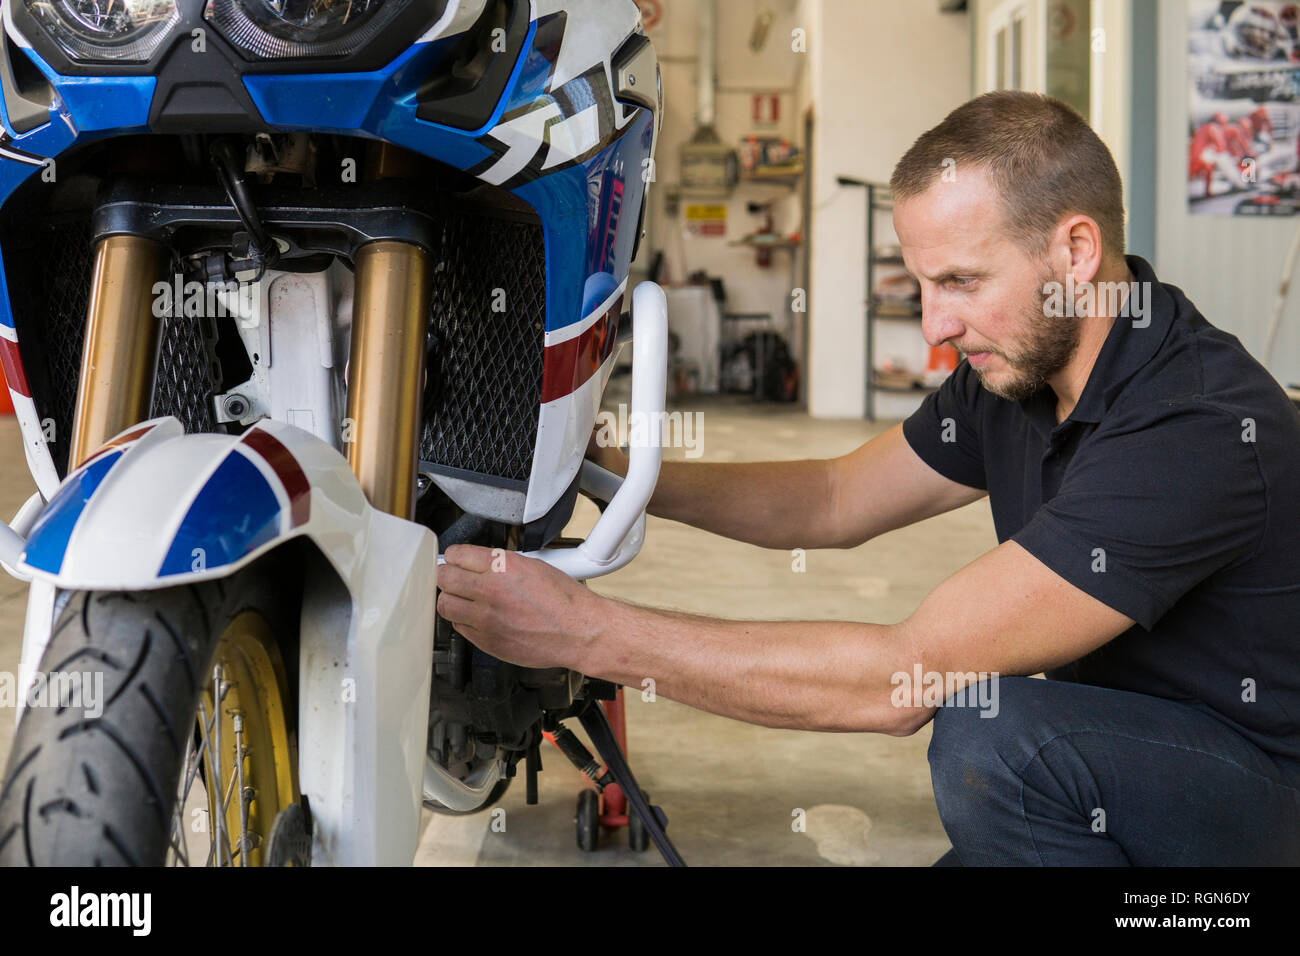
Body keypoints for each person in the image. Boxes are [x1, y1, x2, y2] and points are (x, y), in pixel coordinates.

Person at [437, 91, 1300, 865]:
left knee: (993, 739)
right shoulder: (1023, 370)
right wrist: (618, 472)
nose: (936, 324)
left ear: (1076, 251)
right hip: (1121, 764)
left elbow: (900, 678)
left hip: (1256, 802)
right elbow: (834, 497)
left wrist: (584, 633)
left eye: (961, 281)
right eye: (922, 284)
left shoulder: (1193, 425)